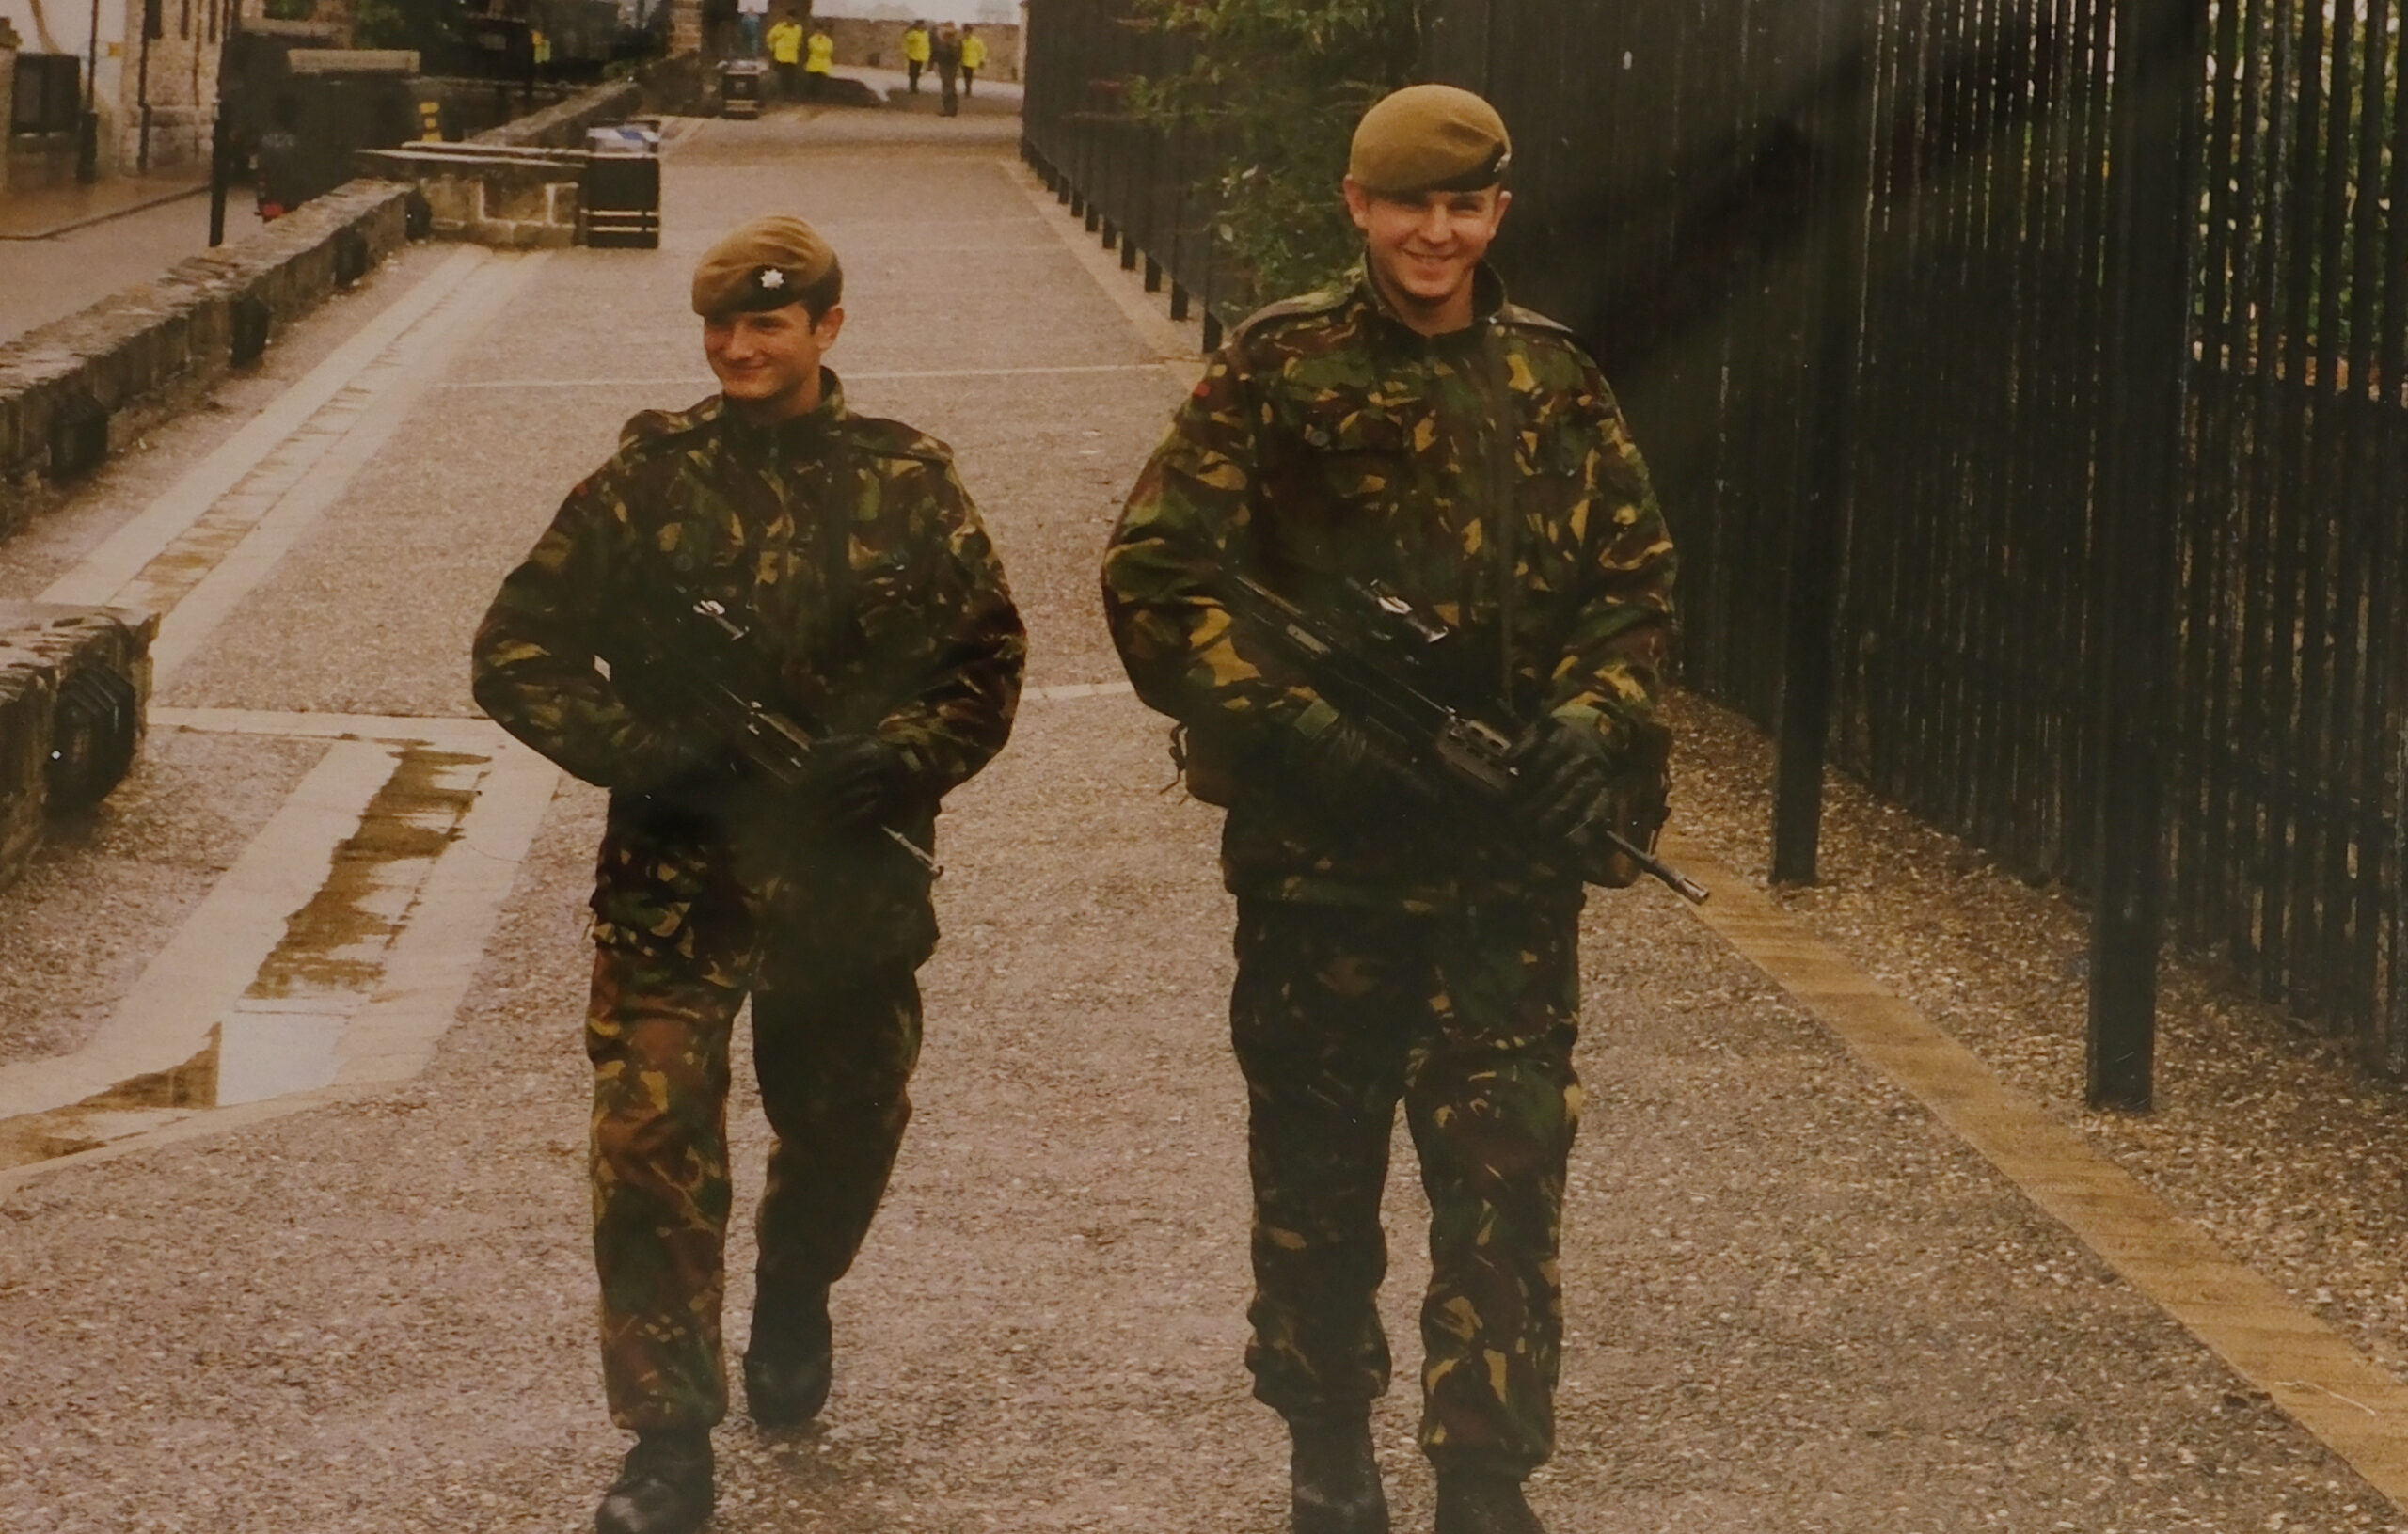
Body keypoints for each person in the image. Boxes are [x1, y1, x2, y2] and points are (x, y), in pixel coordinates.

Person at [1101, 85, 1676, 1534]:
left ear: (1498, 211)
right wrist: (1295, 729)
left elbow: (1634, 587)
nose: (1436, 230)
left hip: (1503, 872)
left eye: (1464, 203)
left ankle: (1482, 1471)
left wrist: (1588, 724)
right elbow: (1157, 577)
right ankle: (1327, 1441)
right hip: (1323, 873)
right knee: (1317, 1169)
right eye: (1409, 202)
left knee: (1505, 1175)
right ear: (1357, 206)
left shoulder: (1557, 382)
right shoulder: (1278, 367)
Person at [472, 216, 1025, 1534]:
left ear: (828, 329)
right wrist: (650, 752)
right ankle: (667, 1435)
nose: (737, 348)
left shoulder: (909, 483)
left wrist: (899, 759)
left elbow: (988, 660)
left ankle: (792, 1291)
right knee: (651, 1135)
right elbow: (515, 648)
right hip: (677, 879)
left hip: (847, 886)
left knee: (845, 1130)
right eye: (719, 326)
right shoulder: (647, 483)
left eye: (767, 325)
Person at [765, 10, 803, 101]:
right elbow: (770, 37)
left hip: (792, 58)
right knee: (780, 78)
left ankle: (788, 96)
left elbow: (799, 41)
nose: (791, 20)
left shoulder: (798, 29)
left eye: (793, 18)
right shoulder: (780, 27)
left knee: (790, 78)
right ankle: (778, 95)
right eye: (789, 18)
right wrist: (772, 48)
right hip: (780, 57)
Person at [930, 21, 961, 116]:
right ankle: (949, 109)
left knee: (948, 88)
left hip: (949, 66)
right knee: (947, 87)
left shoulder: (953, 43)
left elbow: (955, 55)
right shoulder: (950, 43)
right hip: (946, 66)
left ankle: (950, 110)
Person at [802, 22, 836, 101]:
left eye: (820, 31)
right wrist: (821, 51)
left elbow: (828, 51)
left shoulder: (828, 41)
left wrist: (819, 51)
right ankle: (812, 97)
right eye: (817, 31)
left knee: (821, 83)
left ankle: (819, 97)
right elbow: (815, 48)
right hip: (813, 64)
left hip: (823, 65)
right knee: (813, 82)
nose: (819, 33)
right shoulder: (811, 40)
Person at [901, 19, 929, 93]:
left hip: (921, 57)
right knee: (913, 73)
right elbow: (906, 42)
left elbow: (926, 45)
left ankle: (915, 86)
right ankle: (913, 87)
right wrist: (906, 52)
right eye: (921, 24)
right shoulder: (912, 34)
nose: (923, 26)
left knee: (917, 73)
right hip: (913, 56)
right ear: (917, 25)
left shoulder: (925, 34)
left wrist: (927, 53)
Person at [958, 24, 985, 96]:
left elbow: (981, 50)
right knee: (965, 76)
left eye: (968, 32)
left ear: (970, 32)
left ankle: (968, 89)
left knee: (969, 76)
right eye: (965, 32)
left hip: (972, 62)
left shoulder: (976, 41)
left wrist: (982, 60)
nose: (966, 34)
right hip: (964, 61)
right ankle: (967, 87)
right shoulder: (962, 41)